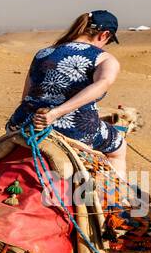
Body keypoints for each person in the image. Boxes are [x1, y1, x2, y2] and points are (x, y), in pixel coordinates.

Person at [7, 10, 128, 181]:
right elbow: (103, 84)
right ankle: (116, 200)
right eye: (108, 40)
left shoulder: (42, 54)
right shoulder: (103, 58)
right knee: (119, 148)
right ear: (104, 35)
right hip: (75, 128)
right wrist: (55, 113)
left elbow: (27, 94)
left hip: (24, 123)